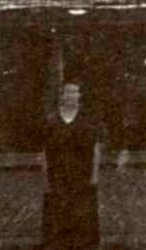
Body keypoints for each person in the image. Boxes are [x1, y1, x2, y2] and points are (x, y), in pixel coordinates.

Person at [41, 82, 101, 250]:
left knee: (82, 214)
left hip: (82, 174)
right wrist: (45, 176)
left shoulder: (87, 120)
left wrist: (94, 175)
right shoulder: (52, 120)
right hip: (58, 174)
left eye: (75, 92)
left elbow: (96, 148)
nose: (72, 96)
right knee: (58, 213)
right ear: (62, 95)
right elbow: (44, 150)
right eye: (68, 92)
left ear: (80, 96)